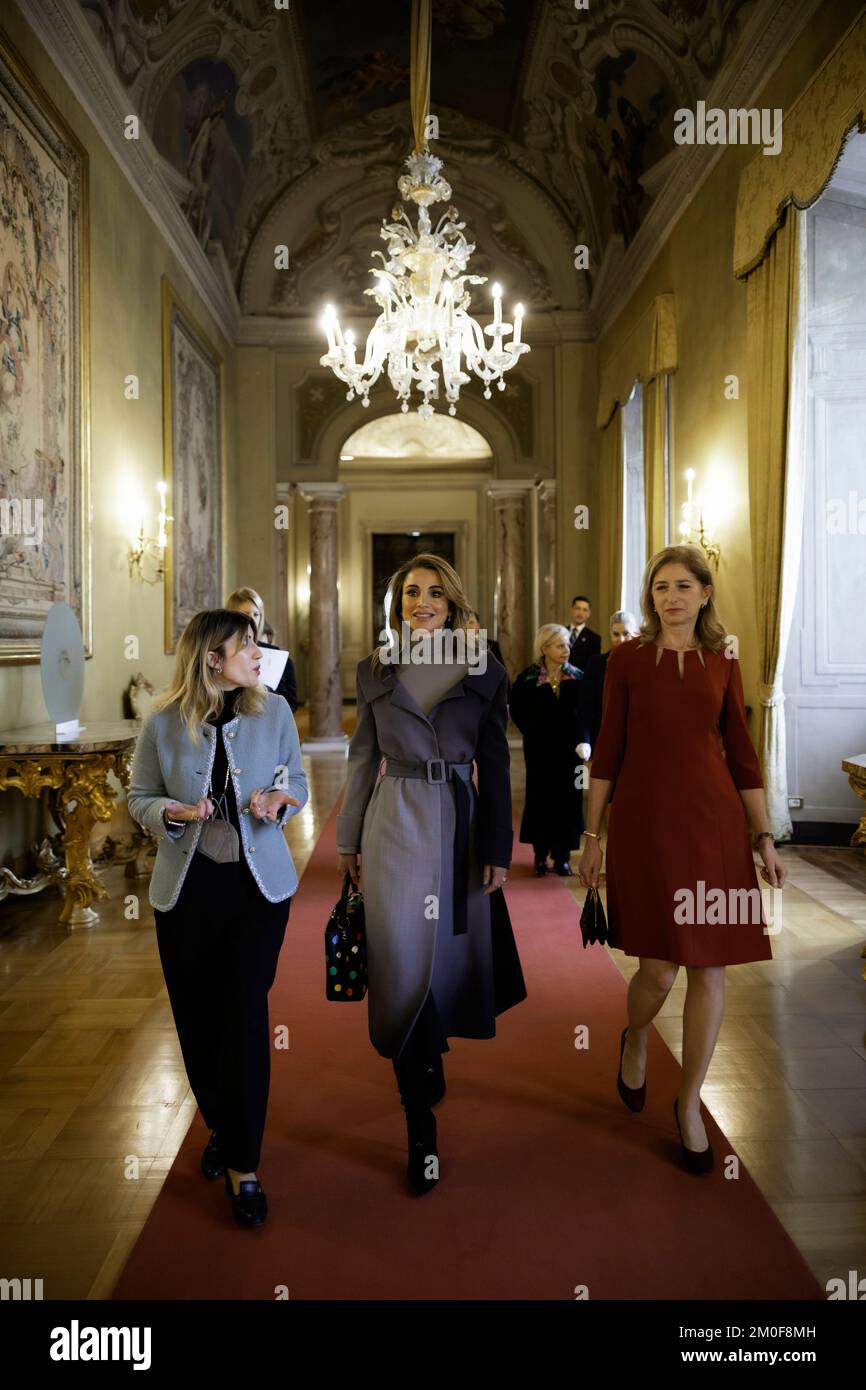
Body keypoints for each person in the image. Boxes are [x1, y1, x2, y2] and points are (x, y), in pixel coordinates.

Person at [578, 545, 787, 1174]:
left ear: (704, 594)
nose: (670, 597)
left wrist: (763, 837)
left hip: (714, 827)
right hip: (645, 827)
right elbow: (608, 749)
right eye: (660, 587)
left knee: (710, 970)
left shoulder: (724, 661)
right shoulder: (626, 660)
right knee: (659, 971)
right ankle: (636, 1035)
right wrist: (592, 836)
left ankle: (690, 1102)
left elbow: (742, 756)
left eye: (683, 586)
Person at [336, 553, 526, 1196]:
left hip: (458, 828)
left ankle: (428, 1047)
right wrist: (347, 839)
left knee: (441, 961)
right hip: (392, 826)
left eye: (436, 593)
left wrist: (498, 846)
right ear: (398, 606)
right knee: (399, 962)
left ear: (452, 604)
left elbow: (495, 764)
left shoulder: (485, 670)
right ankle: (420, 1126)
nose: (423, 602)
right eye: (411, 592)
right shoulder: (374, 670)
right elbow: (362, 759)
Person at [127, 609, 308, 1226]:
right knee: (197, 1021)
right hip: (187, 893)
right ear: (212, 658)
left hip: (258, 891)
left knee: (244, 1014)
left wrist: (281, 800)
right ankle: (223, 1124)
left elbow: (297, 781)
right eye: (246, 645)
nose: (259, 653)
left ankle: (244, 1164)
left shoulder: (275, 711)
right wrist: (172, 813)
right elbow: (139, 798)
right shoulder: (162, 721)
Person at [510, 624, 585, 876]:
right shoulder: (528, 678)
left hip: (570, 752)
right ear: (544, 648)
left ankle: (562, 857)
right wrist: (533, 731)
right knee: (540, 799)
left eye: (567, 644)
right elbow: (517, 710)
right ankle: (540, 855)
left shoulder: (578, 677)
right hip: (539, 750)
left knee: (568, 801)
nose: (567, 649)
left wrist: (582, 740)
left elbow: (585, 713)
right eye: (560, 645)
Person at [225, 586, 298, 712]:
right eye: (245, 614)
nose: (252, 619)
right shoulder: (226, 654)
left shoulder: (278, 655)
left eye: (256, 614)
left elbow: (291, 703)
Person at [580, 610, 640, 751]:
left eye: (626, 633)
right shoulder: (596, 663)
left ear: (636, 634)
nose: (621, 639)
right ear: (610, 634)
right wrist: (584, 739)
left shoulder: (644, 664)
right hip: (602, 736)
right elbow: (585, 705)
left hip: (635, 739)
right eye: (616, 634)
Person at [566, 595, 602, 672]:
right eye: (577, 608)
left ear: (589, 614)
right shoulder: (561, 632)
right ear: (572, 610)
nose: (580, 613)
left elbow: (593, 666)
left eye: (585, 610)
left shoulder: (594, 638)